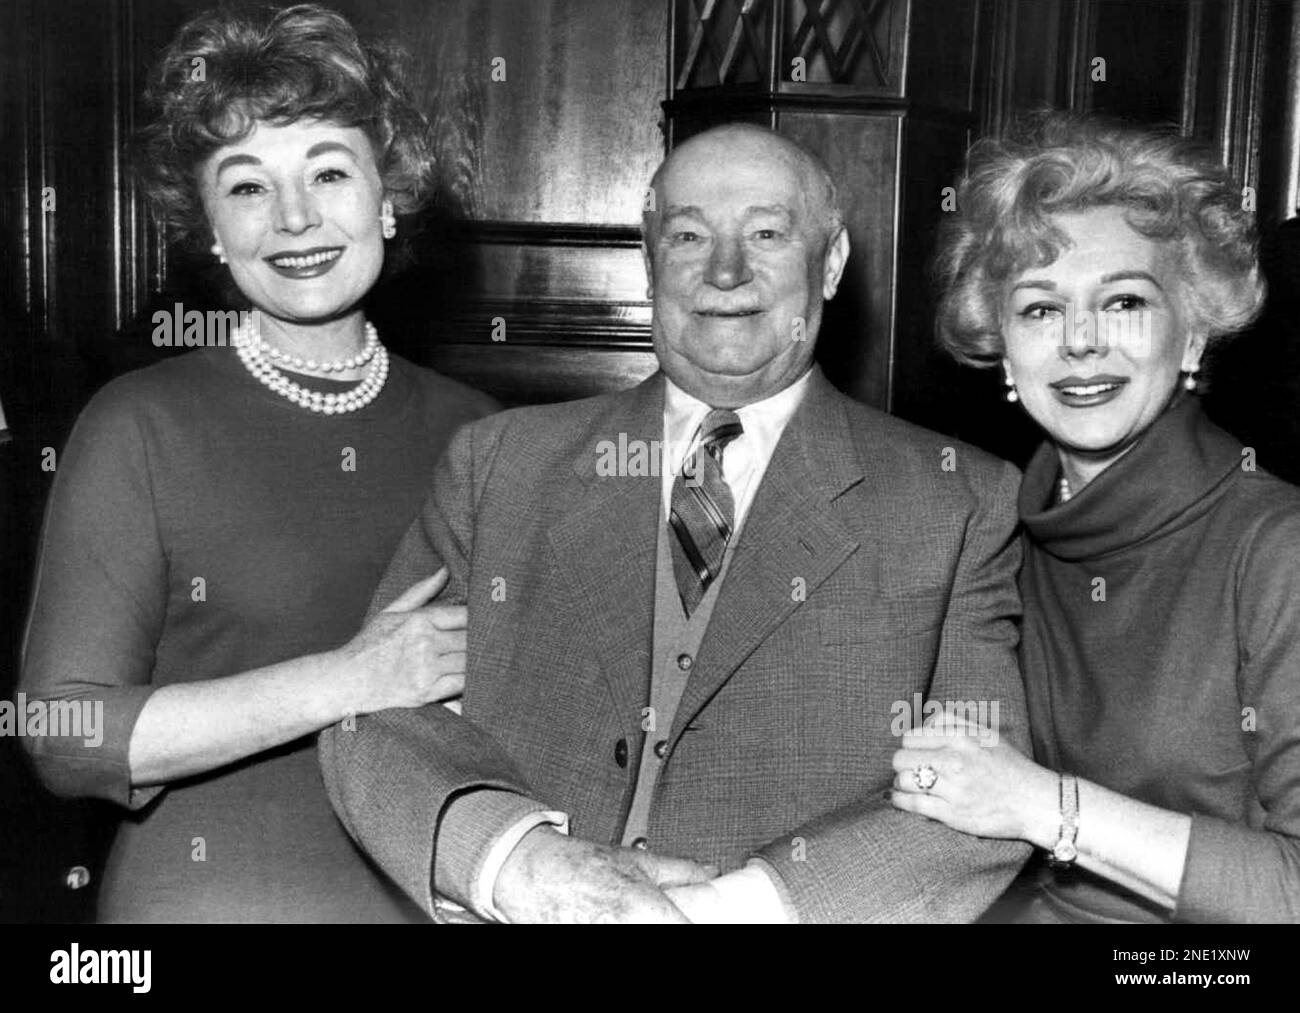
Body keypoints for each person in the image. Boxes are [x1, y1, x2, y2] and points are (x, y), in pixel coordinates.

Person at [321, 123, 1031, 924]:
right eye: (689, 234)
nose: (725, 271)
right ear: (651, 260)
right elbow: (374, 717)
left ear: (829, 263)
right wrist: (524, 864)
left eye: (766, 233)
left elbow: (986, 795)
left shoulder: (958, 500)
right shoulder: (501, 463)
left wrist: (729, 910)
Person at [19, 4, 495, 923]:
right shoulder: (142, 424)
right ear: (207, 227)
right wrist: (351, 678)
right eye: (245, 187)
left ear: (388, 195)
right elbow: (59, 731)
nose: (294, 218)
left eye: (328, 170)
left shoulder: (478, 432)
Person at [892, 112, 1300, 923]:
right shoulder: (988, 530)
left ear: (1192, 333)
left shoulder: (1277, 547)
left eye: (1122, 301)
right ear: (1003, 348)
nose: (1080, 341)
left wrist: (1045, 804)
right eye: (1040, 309)